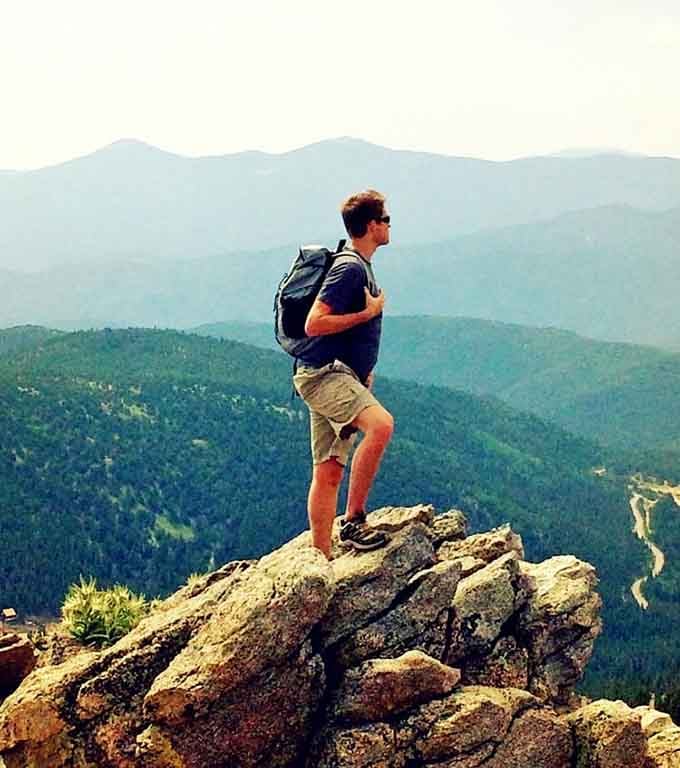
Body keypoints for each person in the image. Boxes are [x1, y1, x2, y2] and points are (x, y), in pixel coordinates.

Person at [293, 189, 394, 559]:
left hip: (332, 374)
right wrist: (368, 313)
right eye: (385, 219)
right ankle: (353, 521)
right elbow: (314, 323)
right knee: (381, 426)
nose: (389, 226)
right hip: (325, 376)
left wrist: (362, 372)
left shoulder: (357, 265)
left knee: (329, 470)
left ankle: (321, 558)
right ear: (371, 225)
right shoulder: (350, 268)